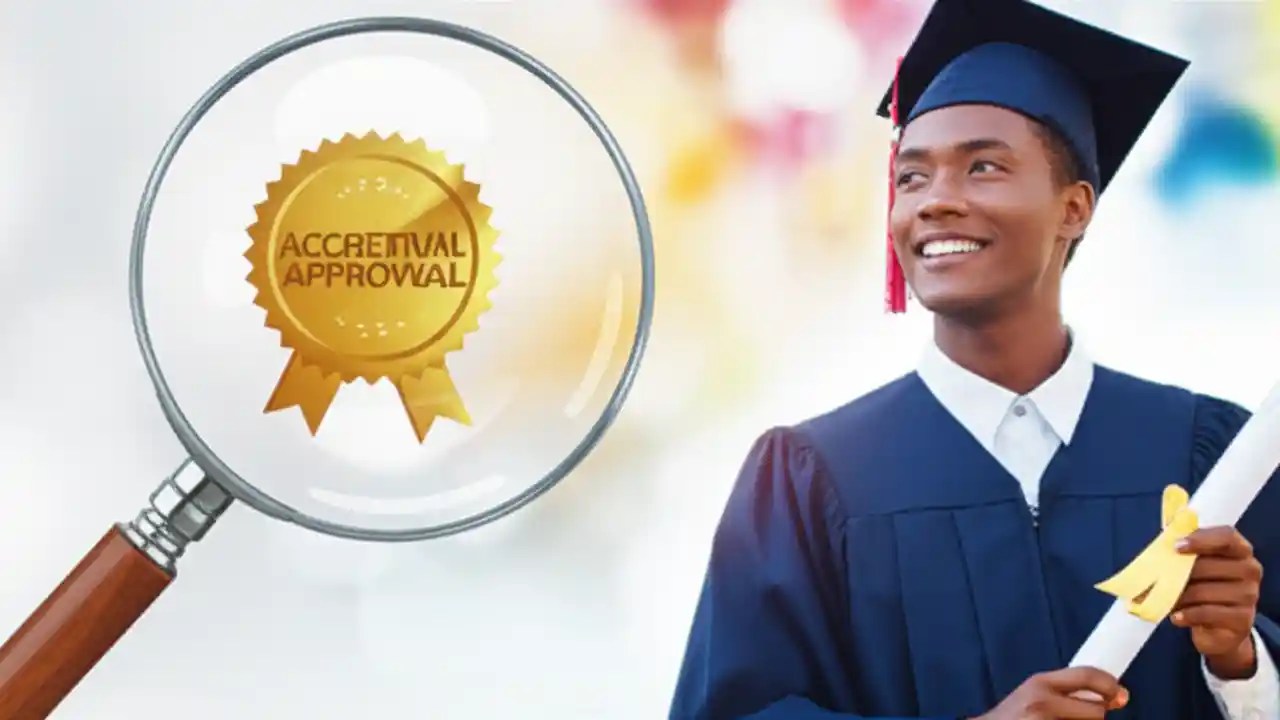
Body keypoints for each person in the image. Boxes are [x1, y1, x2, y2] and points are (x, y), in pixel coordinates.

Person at [667, 0, 1280, 718]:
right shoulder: (813, 481)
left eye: (982, 166)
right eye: (911, 178)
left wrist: (1242, 662)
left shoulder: (1212, 458)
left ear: (1075, 208)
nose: (935, 202)